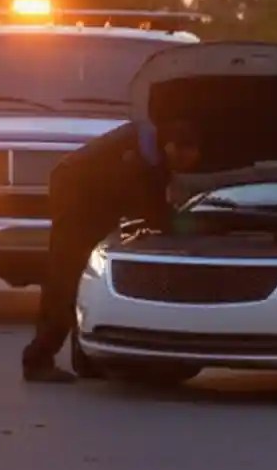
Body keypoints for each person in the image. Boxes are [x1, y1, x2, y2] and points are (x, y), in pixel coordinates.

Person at [21, 118, 202, 383]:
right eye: (187, 160)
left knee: (86, 276)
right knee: (66, 277)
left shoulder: (151, 151)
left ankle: (85, 359)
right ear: (173, 148)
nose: (187, 167)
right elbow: (152, 211)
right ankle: (37, 359)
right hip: (75, 196)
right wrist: (186, 228)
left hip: (95, 200)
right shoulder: (140, 160)